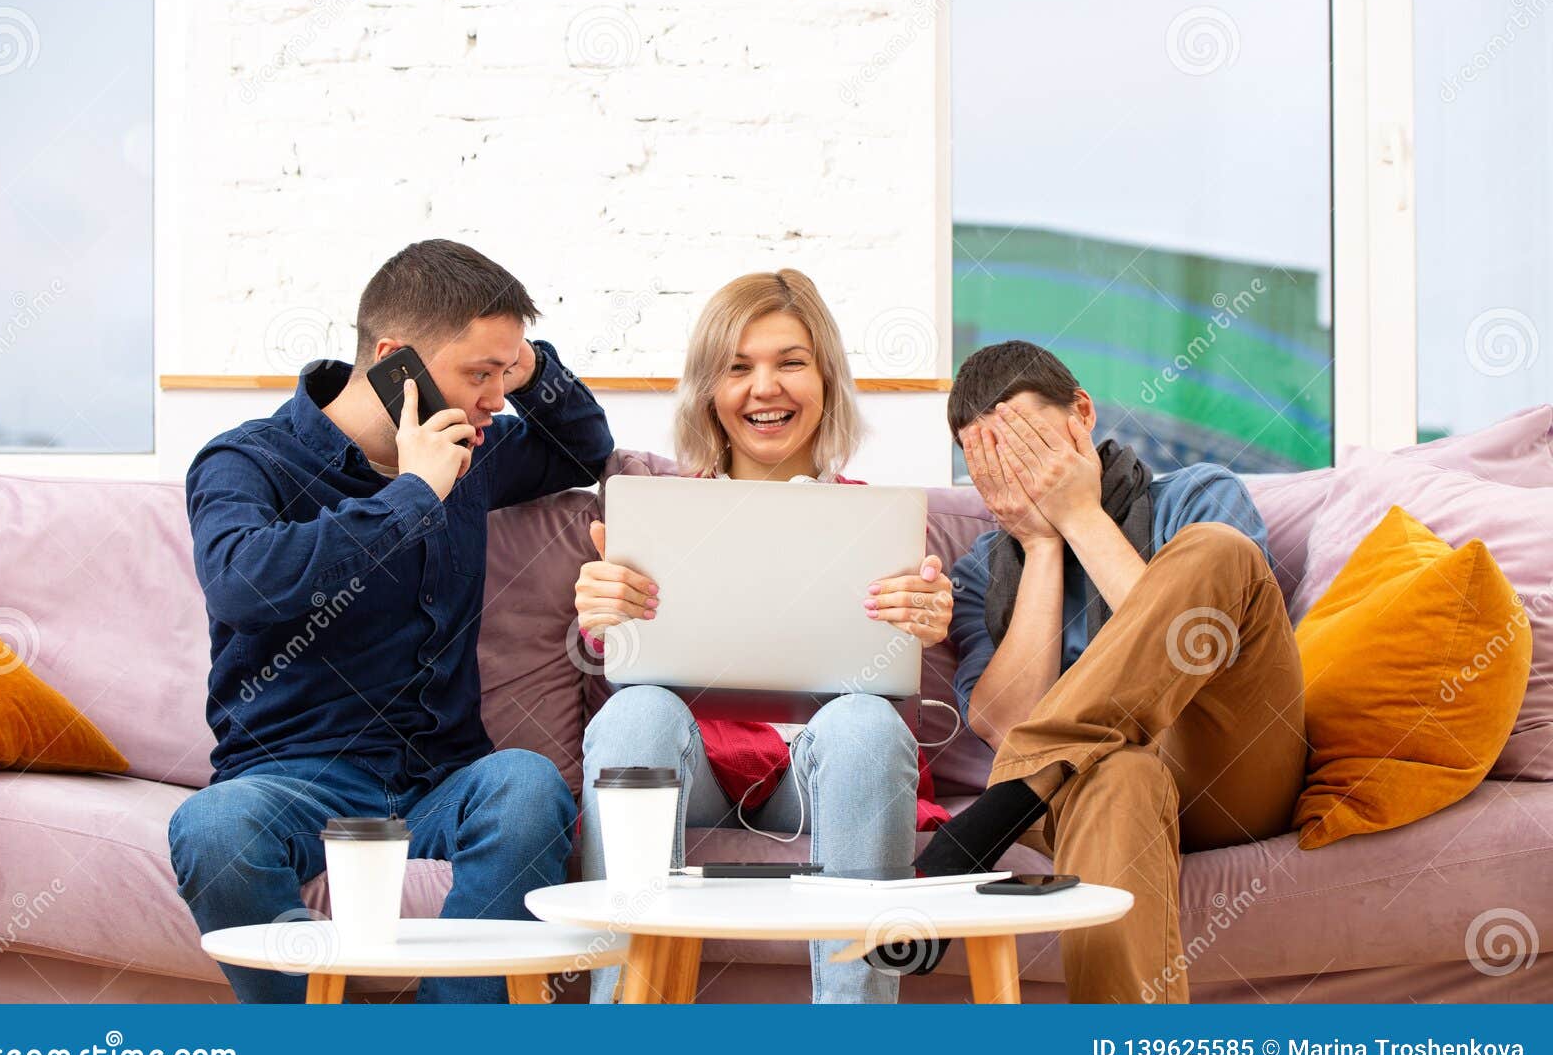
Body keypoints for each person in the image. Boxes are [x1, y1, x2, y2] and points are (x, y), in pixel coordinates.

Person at [169, 239, 614, 1003]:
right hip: (295, 777)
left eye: (503, 377)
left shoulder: (469, 450)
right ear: (394, 360)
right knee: (213, 829)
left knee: (530, 787)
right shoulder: (247, 460)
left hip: (442, 776)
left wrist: (525, 361)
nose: (494, 400)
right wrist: (411, 495)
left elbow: (583, 447)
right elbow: (244, 583)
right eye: (479, 374)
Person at [869, 339, 1305, 1003]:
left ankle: (984, 826)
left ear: (1083, 412)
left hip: (1226, 758)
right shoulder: (986, 570)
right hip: (1083, 791)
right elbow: (1009, 722)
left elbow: (1197, 652)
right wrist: (1043, 547)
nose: (1024, 476)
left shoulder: (1196, 495)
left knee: (1218, 552)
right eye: (995, 460)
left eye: (1033, 447)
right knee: (1119, 774)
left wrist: (1079, 516)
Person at [576, 269, 954, 1004]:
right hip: (697, 777)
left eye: (790, 363)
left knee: (866, 723)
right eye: (738, 368)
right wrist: (603, 616)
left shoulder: (881, 526)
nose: (765, 388)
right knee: (634, 712)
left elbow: (893, 683)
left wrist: (924, 625)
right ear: (710, 393)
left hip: (817, 779)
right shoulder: (663, 516)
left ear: (826, 380)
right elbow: (625, 667)